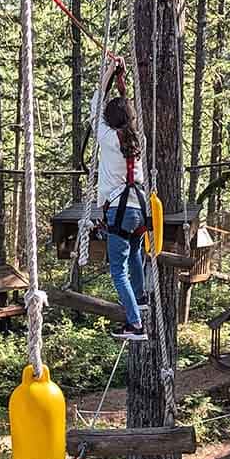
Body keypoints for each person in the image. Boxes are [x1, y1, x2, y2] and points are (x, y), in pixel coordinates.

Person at [96, 57, 148, 341]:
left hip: (120, 210)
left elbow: (96, 104)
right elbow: (128, 112)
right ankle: (139, 298)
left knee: (118, 270)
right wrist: (120, 79)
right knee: (135, 254)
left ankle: (135, 323)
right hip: (139, 209)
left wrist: (108, 74)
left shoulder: (107, 137)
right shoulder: (134, 136)